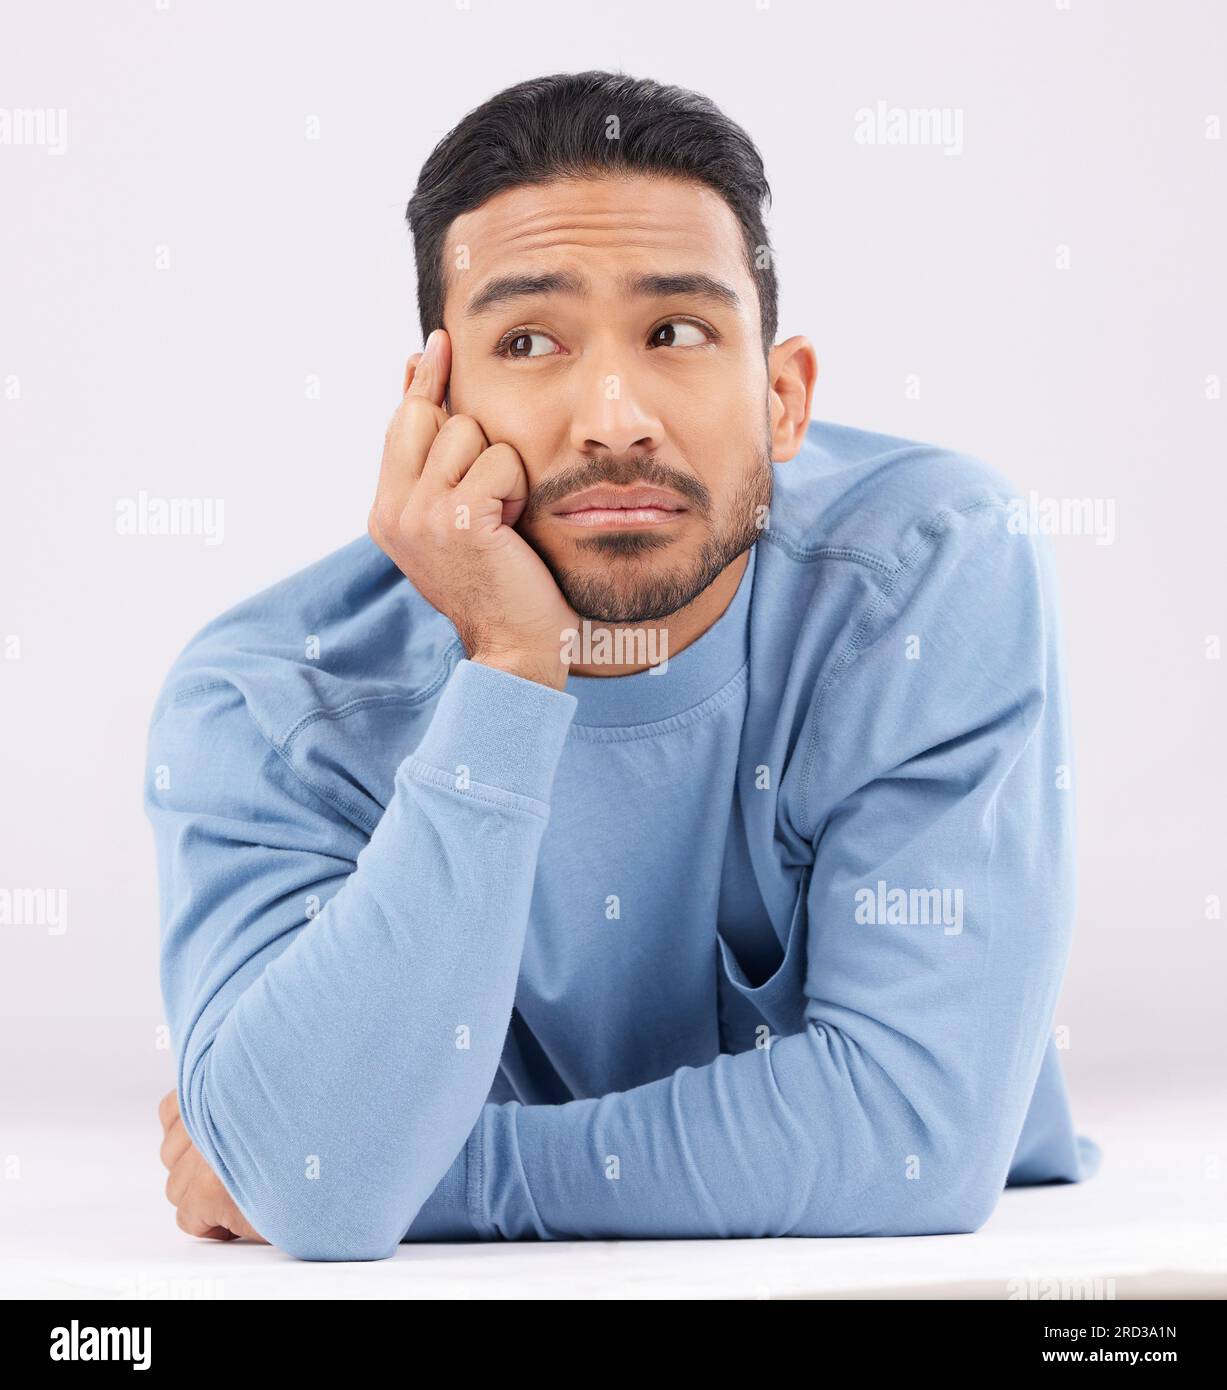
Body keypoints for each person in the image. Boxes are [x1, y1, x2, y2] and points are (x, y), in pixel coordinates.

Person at [148, 70, 1100, 1261]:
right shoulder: (270, 701)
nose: (613, 416)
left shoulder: (928, 569)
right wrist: (508, 666)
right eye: (531, 339)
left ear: (784, 397)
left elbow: (916, 1132)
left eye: (678, 331)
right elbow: (314, 1179)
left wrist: (409, 1177)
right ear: (431, 405)